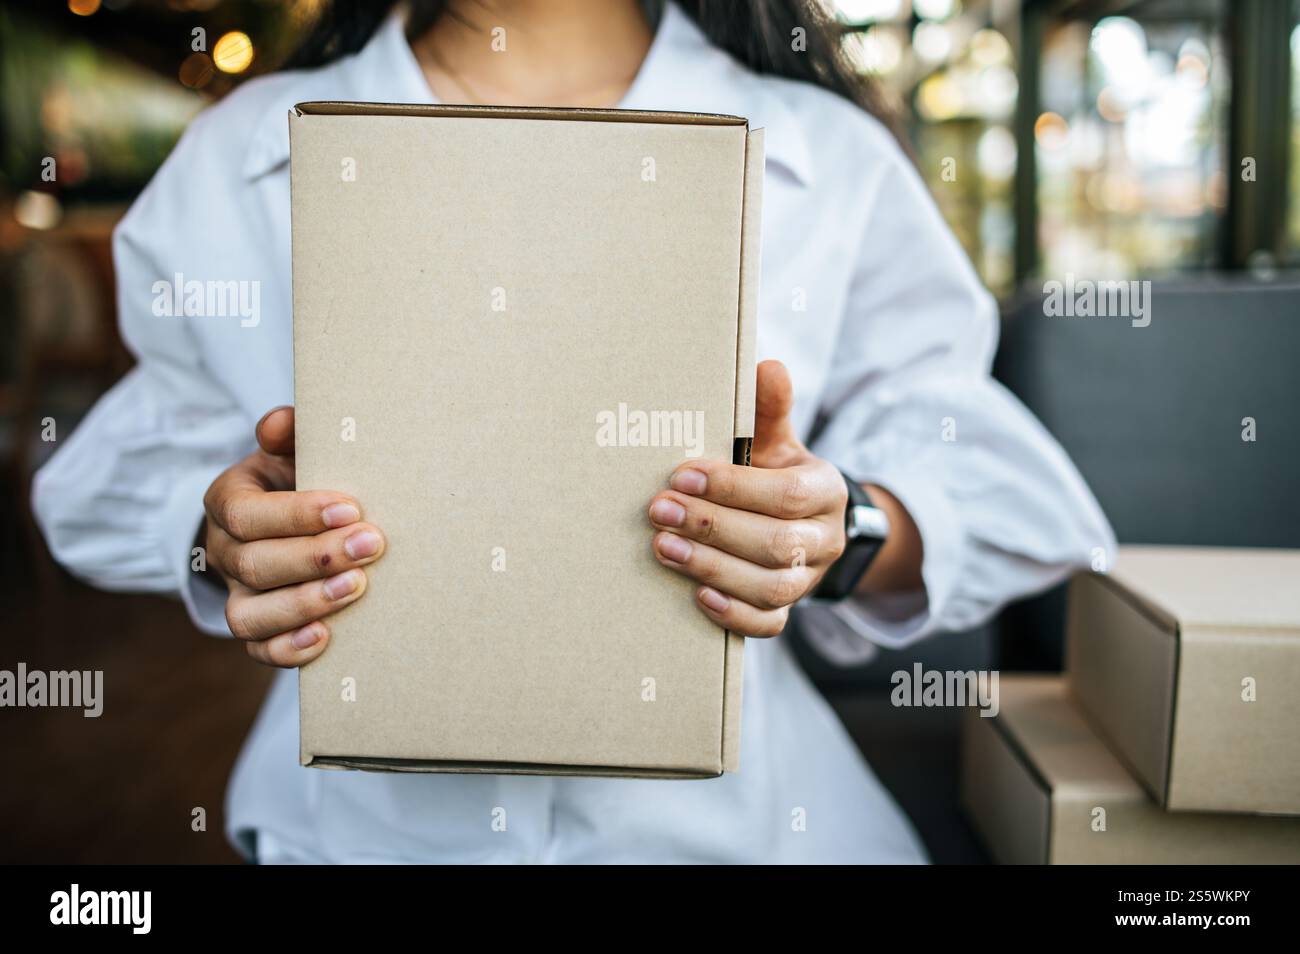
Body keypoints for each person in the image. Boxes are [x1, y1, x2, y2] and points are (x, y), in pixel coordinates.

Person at [33, 0, 1114, 863]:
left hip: (748, 831)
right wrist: (218, 539)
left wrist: (840, 532)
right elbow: (122, 476)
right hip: (356, 832)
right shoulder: (240, 155)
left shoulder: (825, 155)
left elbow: (987, 473)